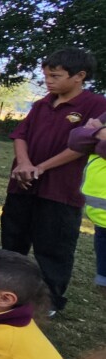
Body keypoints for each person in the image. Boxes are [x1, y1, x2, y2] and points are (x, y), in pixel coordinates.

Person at [2, 48, 106, 318]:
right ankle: (7, 290)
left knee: (53, 247)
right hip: (23, 184)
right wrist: (24, 164)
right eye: (46, 75)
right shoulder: (42, 104)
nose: (48, 81)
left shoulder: (96, 105)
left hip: (61, 190)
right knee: (13, 239)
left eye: (55, 76)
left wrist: (41, 168)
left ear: (79, 76)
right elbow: (20, 135)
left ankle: (49, 301)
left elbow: (84, 145)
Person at [68, 117, 106, 303]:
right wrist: (99, 133)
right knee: (104, 283)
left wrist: (97, 136)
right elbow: (76, 138)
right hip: (102, 222)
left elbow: (102, 148)